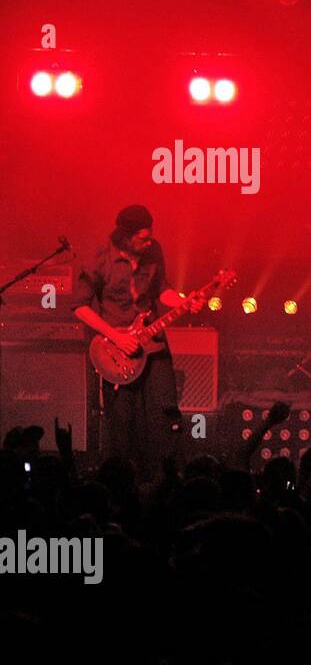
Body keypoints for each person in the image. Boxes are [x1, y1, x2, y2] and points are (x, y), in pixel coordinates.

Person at [70, 204, 201, 478]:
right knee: (122, 420)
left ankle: (166, 477)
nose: (149, 241)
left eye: (150, 236)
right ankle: (121, 481)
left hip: (153, 342)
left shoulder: (154, 251)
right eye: (143, 237)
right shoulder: (98, 257)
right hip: (116, 348)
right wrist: (115, 336)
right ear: (125, 237)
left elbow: (162, 289)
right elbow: (80, 306)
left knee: (165, 411)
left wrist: (183, 302)